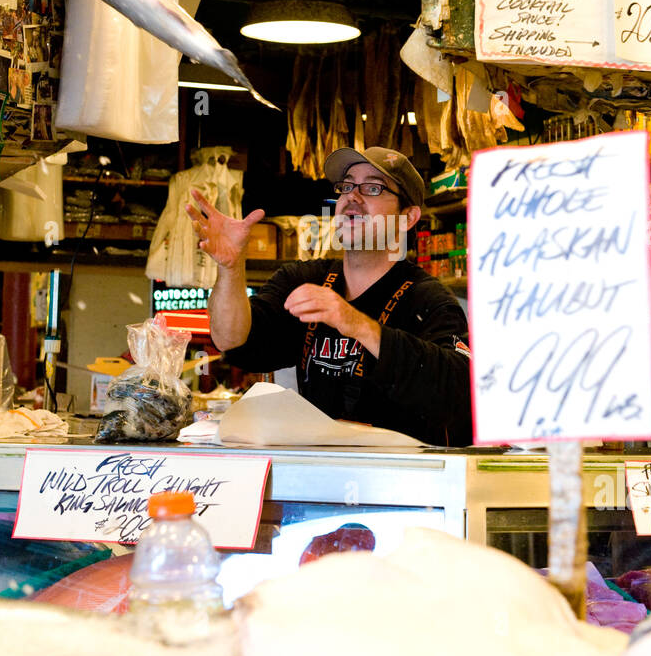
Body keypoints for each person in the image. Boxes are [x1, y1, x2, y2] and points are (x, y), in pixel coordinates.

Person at [190, 146, 473, 447]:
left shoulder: (429, 302)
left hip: (402, 483)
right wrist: (231, 268)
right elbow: (232, 340)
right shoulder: (302, 280)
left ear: (407, 217)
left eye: (373, 188)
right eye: (347, 186)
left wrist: (358, 324)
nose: (353, 197)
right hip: (319, 477)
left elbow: (460, 394)